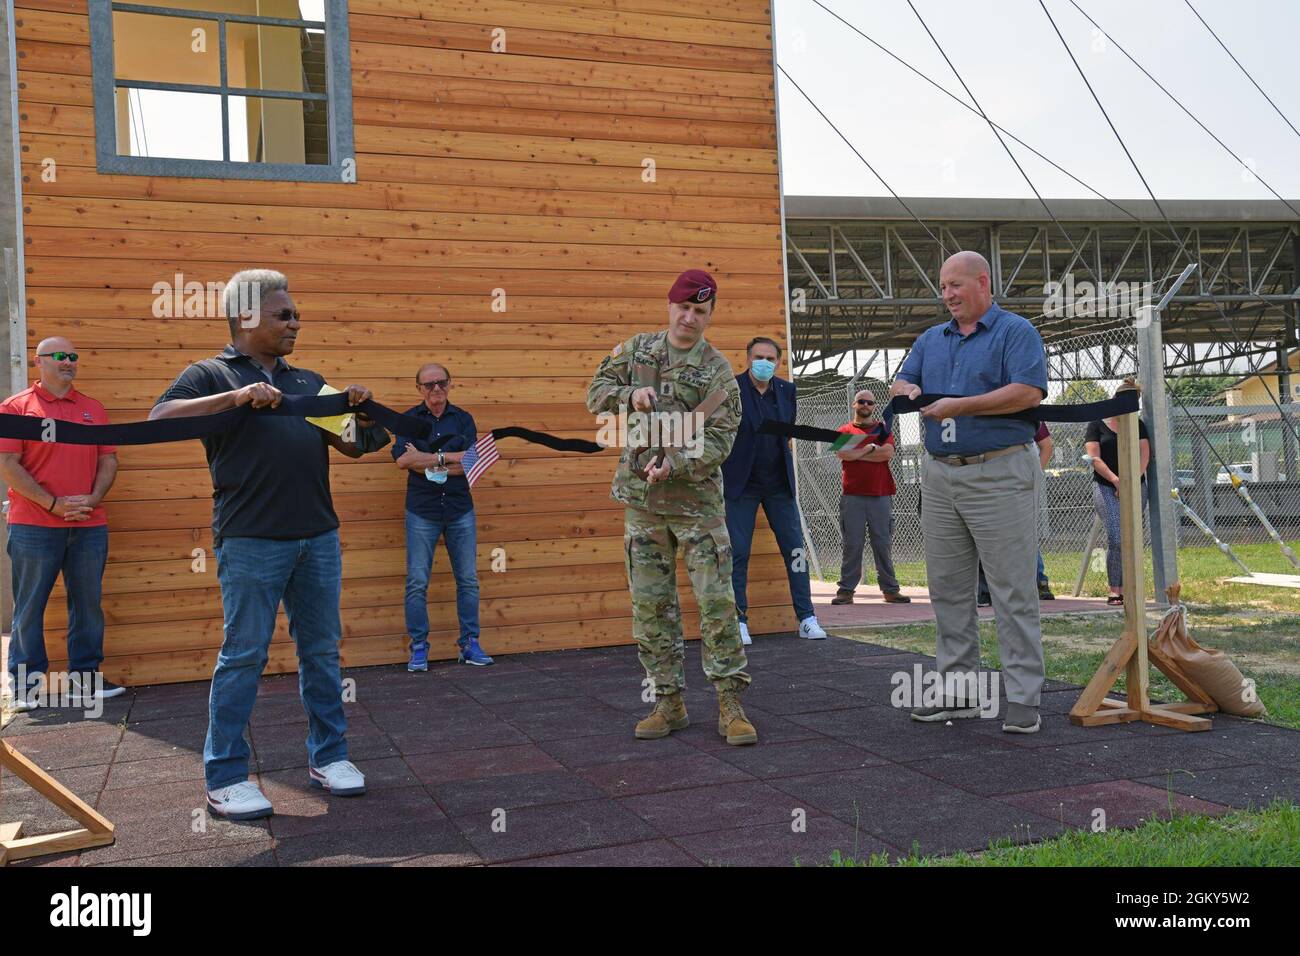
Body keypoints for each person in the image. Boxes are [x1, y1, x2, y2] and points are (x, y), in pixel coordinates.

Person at [150, 268, 391, 820]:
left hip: (319, 540)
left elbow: (361, 444)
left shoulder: (309, 382)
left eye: (296, 315)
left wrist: (360, 406)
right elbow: (159, 418)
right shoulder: (209, 374)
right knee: (243, 657)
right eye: (284, 315)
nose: (295, 324)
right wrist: (236, 397)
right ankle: (227, 776)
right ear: (246, 318)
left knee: (322, 654)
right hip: (251, 541)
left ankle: (329, 758)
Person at [586, 268, 756, 745]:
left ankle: (730, 702)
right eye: (683, 308)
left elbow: (721, 438)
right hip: (642, 505)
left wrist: (676, 463)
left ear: (709, 315)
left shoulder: (718, 371)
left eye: (699, 311)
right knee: (651, 606)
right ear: (670, 306)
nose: (689, 317)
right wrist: (629, 394)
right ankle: (668, 702)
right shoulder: (638, 351)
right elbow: (594, 394)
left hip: (698, 507)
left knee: (717, 604)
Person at [890, 250, 1048, 734]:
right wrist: (905, 392)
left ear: (983, 282)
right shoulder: (929, 339)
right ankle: (958, 693)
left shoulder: (1016, 332)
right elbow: (902, 381)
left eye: (956, 285)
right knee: (949, 590)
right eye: (942, 287)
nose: (948, 295)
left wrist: (961, 407)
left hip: (1000, 472)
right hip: (940, 476)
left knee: (1012, 590)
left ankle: (1023, 699)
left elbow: (1028, 392)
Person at [0, 337, 121, 712]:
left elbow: (109, 461)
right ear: (39, 362)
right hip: (34, 525)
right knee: (29, 606)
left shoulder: (92, 409)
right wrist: (51, 504)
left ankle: (84, 680)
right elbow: (7, 464)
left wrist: (93, 499)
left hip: (88, 524)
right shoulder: (16, 408)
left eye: (73, 357)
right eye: (60, 357)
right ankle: (25, 686)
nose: (68, 362)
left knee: (87, 604)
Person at [721, 336, 826, 645]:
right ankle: (738, 621)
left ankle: (806, 618)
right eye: (758, 357)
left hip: (779, 485)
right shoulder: (732, 388)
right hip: (741, 485)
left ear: (778, 362)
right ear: (748, 357)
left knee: (796, 551)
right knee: (737, 553)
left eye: (770, 358)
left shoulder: (787, 391)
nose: (764, 362)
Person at [391, 362, 492, 670]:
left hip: (460, 508)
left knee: (469, 580)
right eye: (429, 385)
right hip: (422, 510)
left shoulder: (463, 419)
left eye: (441, 383)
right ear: (419, 388)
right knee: (417, 582)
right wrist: (447, 459)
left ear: (450, 384)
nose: (436, 389)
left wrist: (428, 458)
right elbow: (403, 461)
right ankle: (419, 647)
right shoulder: (409, 419)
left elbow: (472, 462)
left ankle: (470, 644)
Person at [831, 389, 911, 606]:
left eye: (870, 402)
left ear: (874, 406)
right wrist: (869, 448)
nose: (866, 405)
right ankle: (846, 590)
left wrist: (859, 453)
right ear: (854, 405)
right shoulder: (845, 429)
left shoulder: (883, 429)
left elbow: (887, 454)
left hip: (880, 494)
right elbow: (842, 454)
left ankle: (890, 590)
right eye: (861, 401)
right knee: (852, 544)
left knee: (882, 543)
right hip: (853, 496)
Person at [978, 422, 1055, 605]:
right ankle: (986, 589)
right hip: (985, 483)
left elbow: (1047, 446)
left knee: (1022, 534)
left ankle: (1037, 581)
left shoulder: (1025, 407)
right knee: (988, 535)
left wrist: (1034, 475)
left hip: (1016, 482)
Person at [1085, 396, 1151, 606]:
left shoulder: (1136, 424)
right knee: (1116, 536)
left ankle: (1132, 588)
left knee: (1131, 537)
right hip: (1106, 486)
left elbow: (1144, 453)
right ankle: (1115, 590)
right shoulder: (1096, 424)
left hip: (1135, 487)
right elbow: (1094, 458)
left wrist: (1132, 481)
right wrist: (1116, 481)